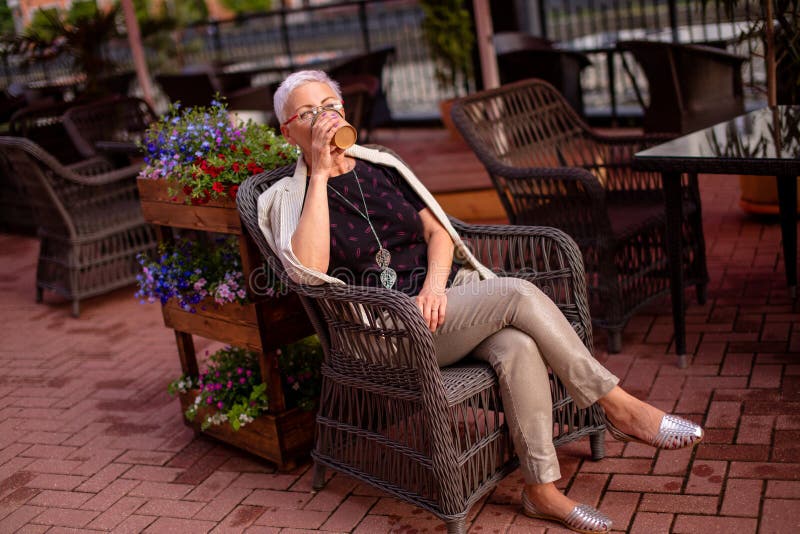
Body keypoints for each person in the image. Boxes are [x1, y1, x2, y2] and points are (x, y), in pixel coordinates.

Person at [258, 70, 704, 534]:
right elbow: (308, 271)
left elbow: (438, 233)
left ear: (345, 112)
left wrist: (433, 287)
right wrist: (318, 171)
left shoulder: (380, 165)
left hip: (444, 305)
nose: (324, 118)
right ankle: (618, 406)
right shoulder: (288, 196)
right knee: (515, 292)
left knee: (517, 346)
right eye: (308, 113)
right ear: (288, 130)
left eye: (330, 106)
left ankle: (541, 492)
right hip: (385, 332)